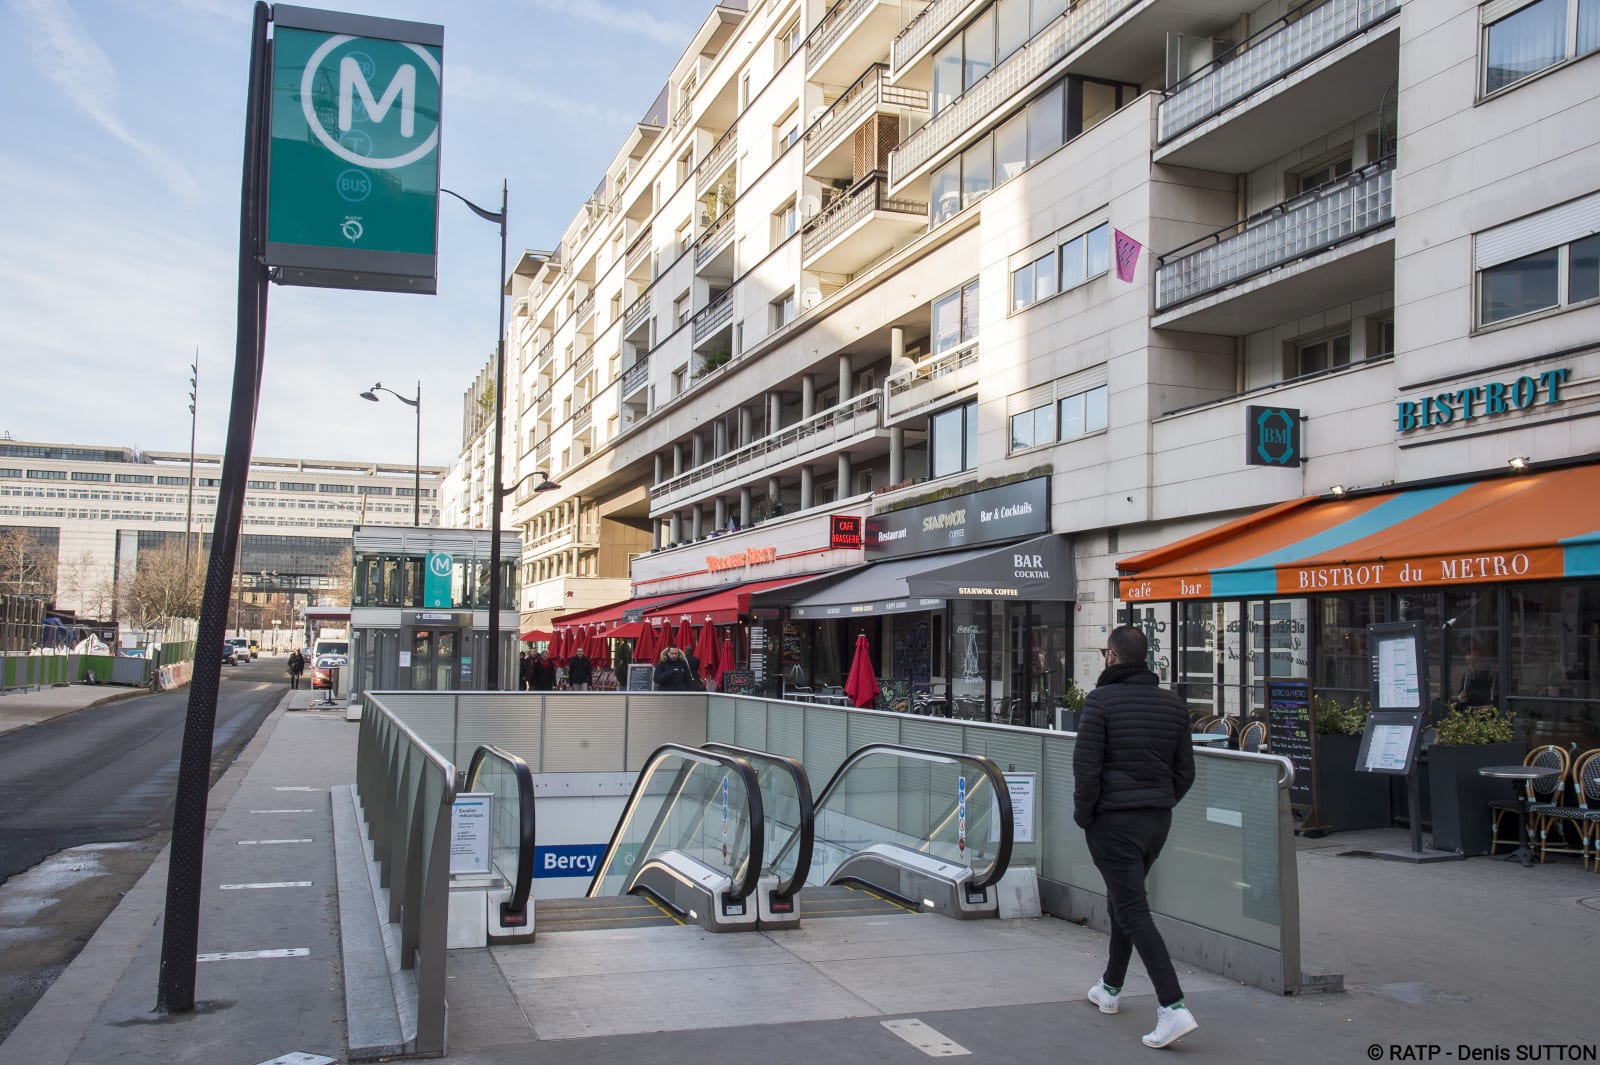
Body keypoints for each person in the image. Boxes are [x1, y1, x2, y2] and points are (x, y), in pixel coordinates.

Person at [1073, 625, 1198, 1049]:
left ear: (1111, 657)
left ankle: (1173, 1006)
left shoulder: (1100, 702)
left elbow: (1086, 770)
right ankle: (1110, 988)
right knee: (1123, 901)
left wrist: (1086, 817)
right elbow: (1186, 773)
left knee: (1132, 908)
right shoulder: (1174, 706)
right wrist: (1161, 802)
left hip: (1113, 821)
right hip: (1156, 820)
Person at [1455, 640, 1498, 710]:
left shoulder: (1493, 677)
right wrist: (1459, 700)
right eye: (1469, 664)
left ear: (1484, 660)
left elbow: (1501, 702)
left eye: (1476, 663)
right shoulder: (1466, 677)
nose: (1473, 667)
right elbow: (1458, 705)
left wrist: (1492, 706)